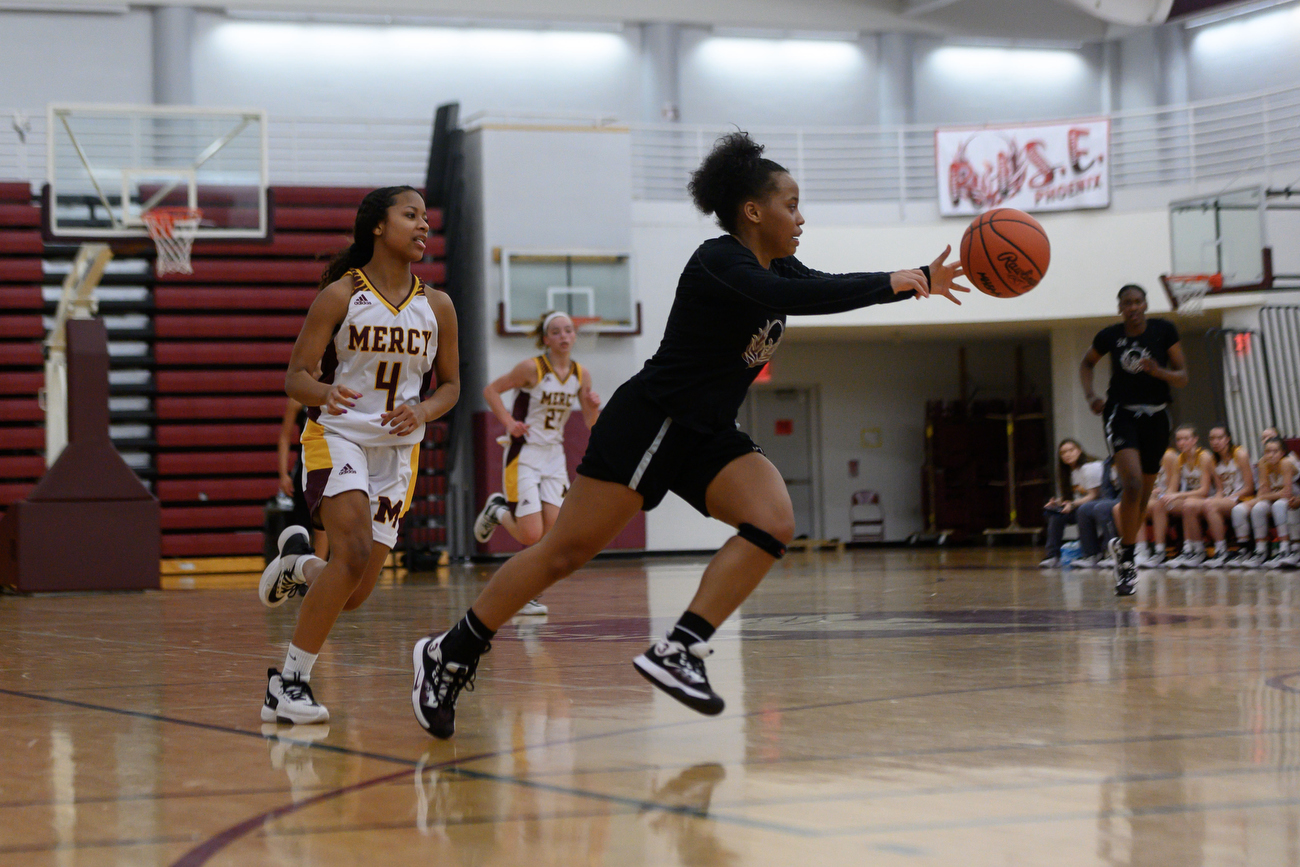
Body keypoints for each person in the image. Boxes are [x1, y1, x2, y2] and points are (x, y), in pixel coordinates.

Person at [409, 131, 969, 739]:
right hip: (654, 418)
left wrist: (912, 282)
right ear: (754, 211)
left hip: (704, 430)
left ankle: (681, 648)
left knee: (773, 521)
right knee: (563, 554)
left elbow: (817, 286)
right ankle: (450, 650)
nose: (800, 217)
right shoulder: (719, 260)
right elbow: (793, 297)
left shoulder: (778, 264)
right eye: (792, 203)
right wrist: (899, 278)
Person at [257, 185, 460, 725]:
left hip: (398, 453)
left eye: (425, 218)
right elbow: (295, 378)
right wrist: (325, 393)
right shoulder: (341, 296)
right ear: (377, 225)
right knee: (349, 554)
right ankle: (289, 682)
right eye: (410, 215)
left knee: (352, 592)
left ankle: (298, 563)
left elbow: (451, 387)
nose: (422, 226)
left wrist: (424, 412)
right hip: (338, 435)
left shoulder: (437, 306)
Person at [471, 310, 602, 615]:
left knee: (554, 535)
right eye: (556, 332)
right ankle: (496, 509)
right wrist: (508, 422)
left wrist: (595, 407)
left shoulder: (581, 374)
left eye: (569, 330)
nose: (564, 336)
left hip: (554, 457)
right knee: (530, 534)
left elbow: (590, 422)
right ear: (545, 338)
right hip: (525, 453)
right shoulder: (531, 368)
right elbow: (491, 390)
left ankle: (528, 594)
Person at [1080, 284, 1187, 595]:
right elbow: (1087, 363)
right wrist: (1090, 396)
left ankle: (1122, 544)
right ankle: (1127, 558)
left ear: (1146, 305)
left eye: (1138, 301)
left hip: (1157, 416)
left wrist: (1159, 372)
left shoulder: (1164, 330)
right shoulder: (1110, 336)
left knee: (1143, 495)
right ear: (1120, 308)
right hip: (1120, 413)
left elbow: (1182, 376)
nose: (1133, 307)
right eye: (1127, 303)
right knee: (1133, 484)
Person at [276, 379, 328, 560]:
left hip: (330, 465)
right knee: (303, 525)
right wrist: (283, 474)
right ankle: (300, 570)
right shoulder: (298, 399)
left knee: (324, 525)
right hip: (305, 468)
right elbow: (284, 437)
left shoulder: (337, 393)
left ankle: (317, 577)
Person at [1158, 424, 1216, 568]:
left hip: (1211, 497)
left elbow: (1204, 490)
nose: (1181, 443)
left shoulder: (1204, 456)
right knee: (1160, 504)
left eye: (1186, 439)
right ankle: (1159, 551)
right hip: (1192, 498)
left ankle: (1196, 549)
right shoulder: (1180, 459)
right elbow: (1173, 487)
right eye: (1178, 439)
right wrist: (1164, 495)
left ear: (1195, 439)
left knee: (1187, 505)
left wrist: (1178, 495)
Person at [1236, 436, 1297, 568]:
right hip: (1275, 498)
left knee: (1278, 505)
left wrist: (1268, 495)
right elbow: (1262, 495)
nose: (1271, 455)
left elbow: (1287, 493)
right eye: (1268, 451)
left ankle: (1285, 548)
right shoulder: (1263, 463)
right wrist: (1272, 495)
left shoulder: (1286, 463)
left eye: (1275, 451)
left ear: (1282, 453)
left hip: (1293, 499)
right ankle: (1261, 550)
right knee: (1258, 508)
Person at [1040, 439, 1103, 568]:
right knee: (1056, 515)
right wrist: (1057, 502)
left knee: (1082, 510)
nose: (1067, 454)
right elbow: (1073, 495)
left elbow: (1094, 495)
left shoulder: (1089, 467)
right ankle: (1053, 556)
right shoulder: (1068, 473)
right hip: (1083, 505)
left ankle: (1090, 554)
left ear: (1079, 450)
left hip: (1098, 504)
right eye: (1063, 452)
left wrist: (1073, 505)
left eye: (1071, 450)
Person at [1199, 424, 1254, 568]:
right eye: (1212, 439)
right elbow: (1219, 489)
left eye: (1220, 438)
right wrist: (1217, 498)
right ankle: (1212, 549)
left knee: (1211, 505)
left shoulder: (1240, 454)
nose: (1215, 442)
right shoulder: (1212, 459)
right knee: (1207, 503)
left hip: (1243, 498)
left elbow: (1249, 487)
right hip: (1226, 500)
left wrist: (1230, 498)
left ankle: (1221, 549)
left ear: (1228, 439)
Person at [1076, 455, 1121, 568]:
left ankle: (1112, 552)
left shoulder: (1129, 458)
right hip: (1113, 499)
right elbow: (1107, 489)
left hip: (1128, 498)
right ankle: (1091, 554)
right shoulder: (1108, 462)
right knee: (1084, 509)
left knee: (1102, 508)